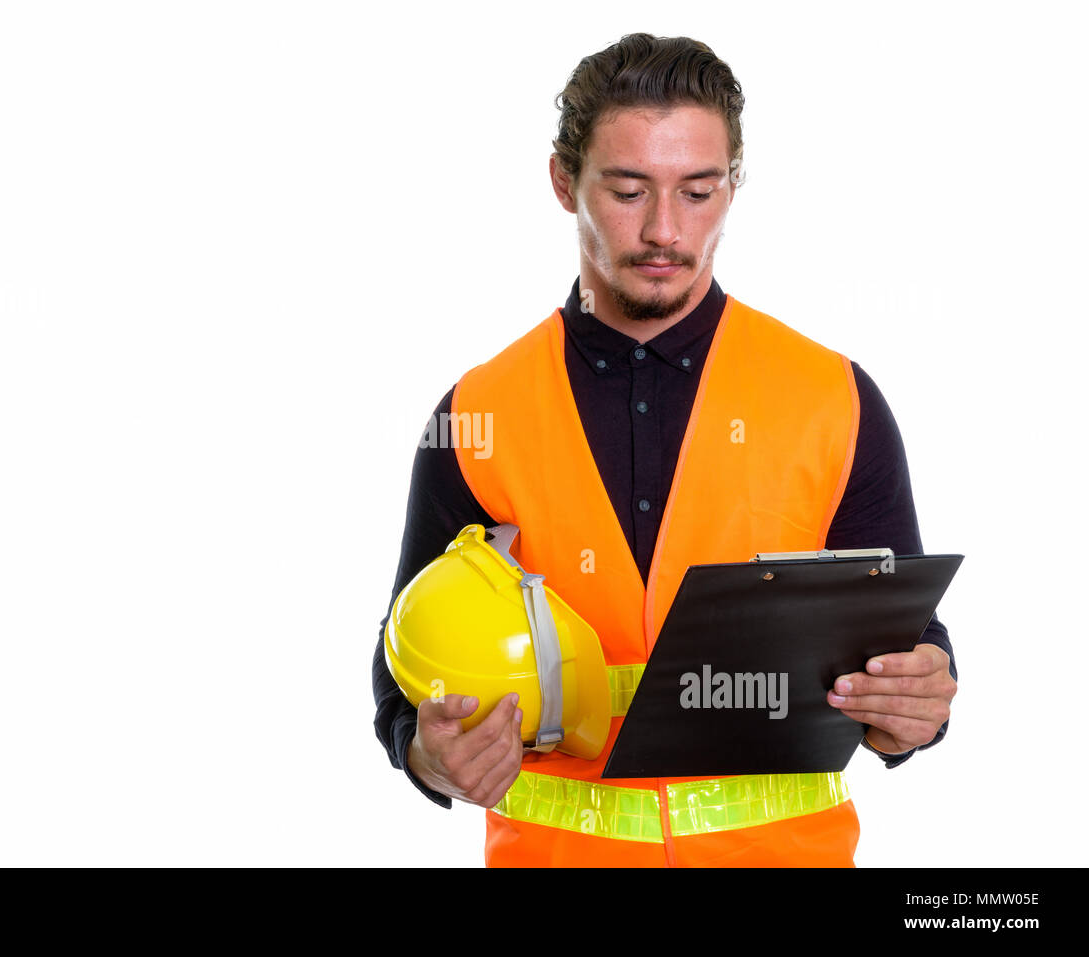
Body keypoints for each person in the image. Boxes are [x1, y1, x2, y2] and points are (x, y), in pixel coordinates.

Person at [371, 33, 957, 867]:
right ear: (562, 183)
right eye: (627, 189)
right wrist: (430, 755)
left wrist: (919, 704)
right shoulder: (476, 415)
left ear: (733, 184)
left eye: (698, 191)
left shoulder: (835, 399)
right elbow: (400, 667)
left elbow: (910, 641)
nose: (663, 230)